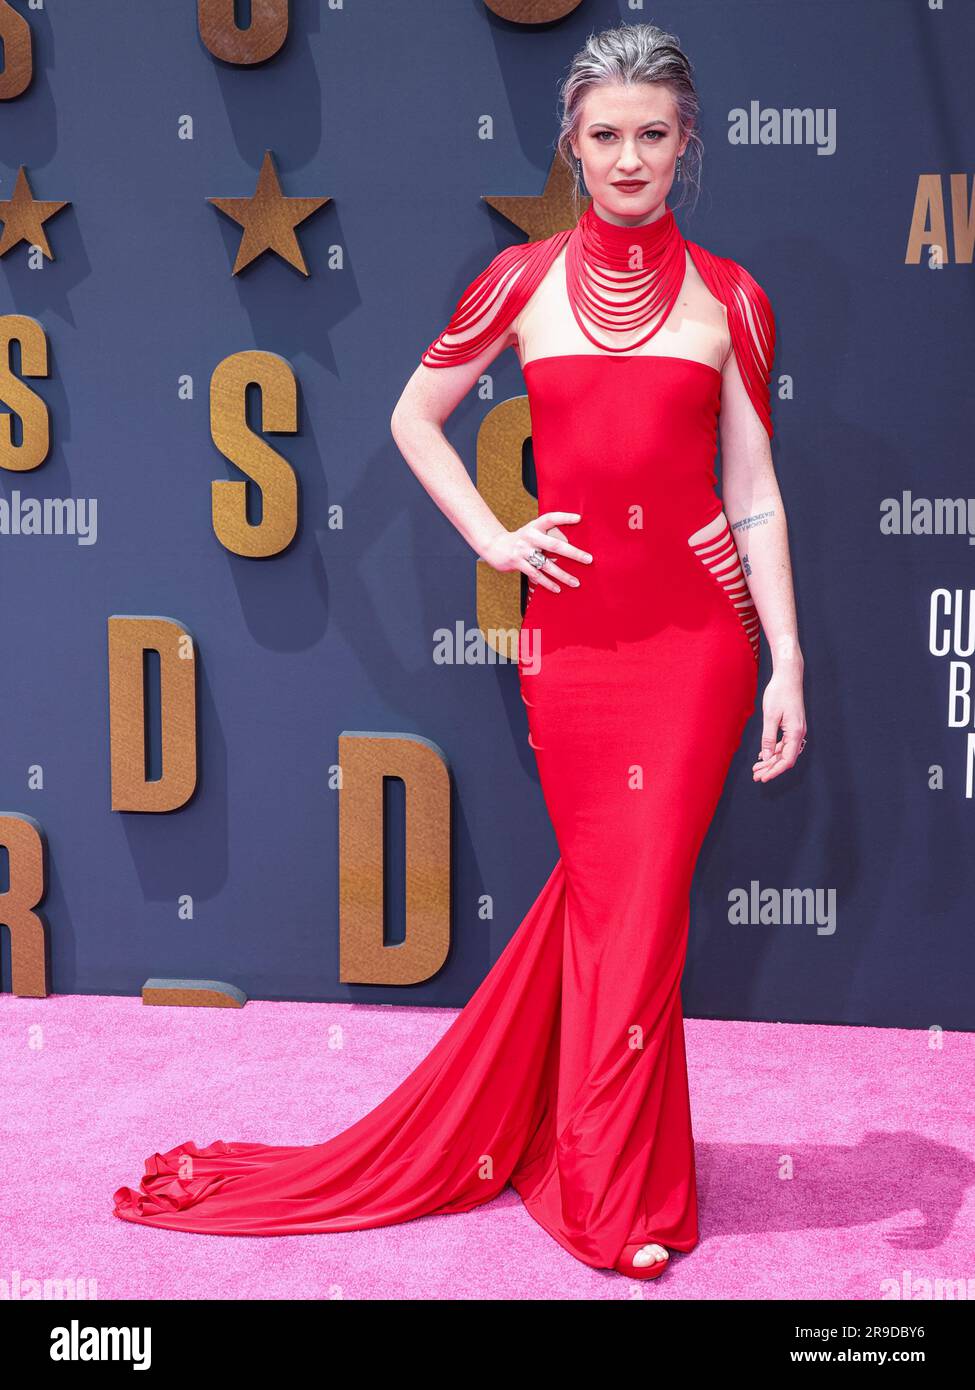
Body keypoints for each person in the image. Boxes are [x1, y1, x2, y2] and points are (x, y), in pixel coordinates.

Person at [113, 22, 807, 1282]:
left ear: (688, 141)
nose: (630, 158)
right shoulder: (525, 282)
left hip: (701, 645)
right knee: (615, 905)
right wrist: (497, 535)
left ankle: (614, 1191)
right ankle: (600, 1172)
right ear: (573, 144)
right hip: (576, 648)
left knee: (641, 911)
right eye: (606, 135)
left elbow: (753, 489)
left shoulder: (734, 299)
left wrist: (789, 664)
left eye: (654, 134)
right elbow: (411, 416)